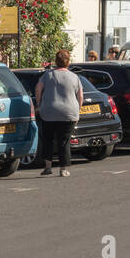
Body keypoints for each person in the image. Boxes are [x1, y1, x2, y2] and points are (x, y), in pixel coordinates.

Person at [34, 49, 83, 177]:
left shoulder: (47, 75)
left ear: (56, 61)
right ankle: (63, 169)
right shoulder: (74, 77)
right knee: (64, 141)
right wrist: (78, 111)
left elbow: (38, 89)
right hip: (69, 112)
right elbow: (80, 96)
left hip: (49, 111)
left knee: (48, 139)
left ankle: (48, 167)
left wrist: (39, 105)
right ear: (68, 62)